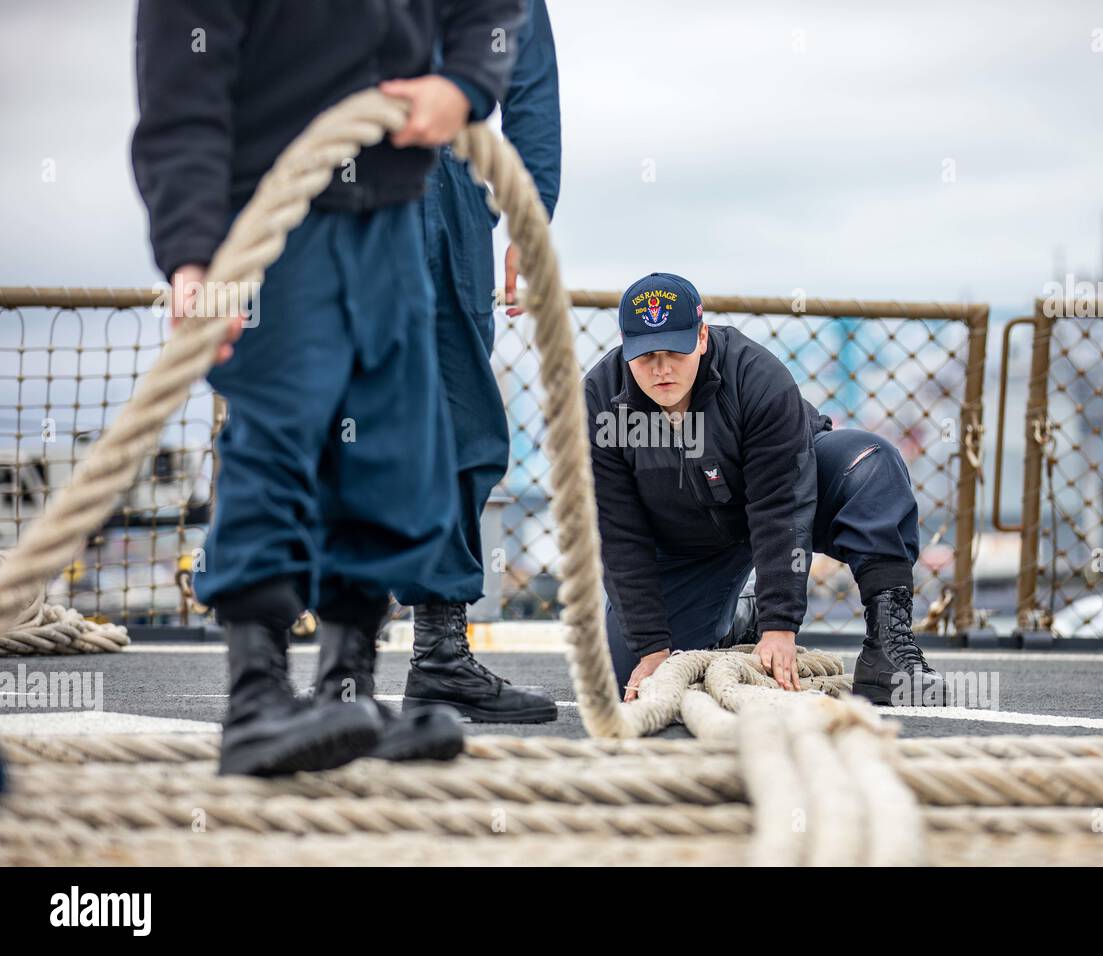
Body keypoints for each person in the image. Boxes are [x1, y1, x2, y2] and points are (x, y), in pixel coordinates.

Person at [132, 0, 526, 775]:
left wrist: (464, 85)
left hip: (391, 212)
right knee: (277, 434)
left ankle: (348, 689)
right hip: (272, 215)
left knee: (393, 442)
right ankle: (257, 697)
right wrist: (192, 253)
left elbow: (489, 13)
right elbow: (183, 90)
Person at [583, 273, 947, 706]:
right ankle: (741, 614)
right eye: (646, 356)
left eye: (674, 351)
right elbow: (619, 532)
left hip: (784, 498)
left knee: (869, 464)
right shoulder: (600, 402)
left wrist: (780, 627)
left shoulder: (756, 377)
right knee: (632, 671)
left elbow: (782, 506)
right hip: (686, 543)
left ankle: (889, 647)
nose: (661, 369)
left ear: (701, 337)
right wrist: (652, 648)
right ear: (626, 348)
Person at [395, 0, 561, 724]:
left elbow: (530, 83)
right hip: (318, 174)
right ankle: (288, 665)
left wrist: (531, 206)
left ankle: (437, 655)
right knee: (310, 415)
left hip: (440, 188)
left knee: (453, 421)